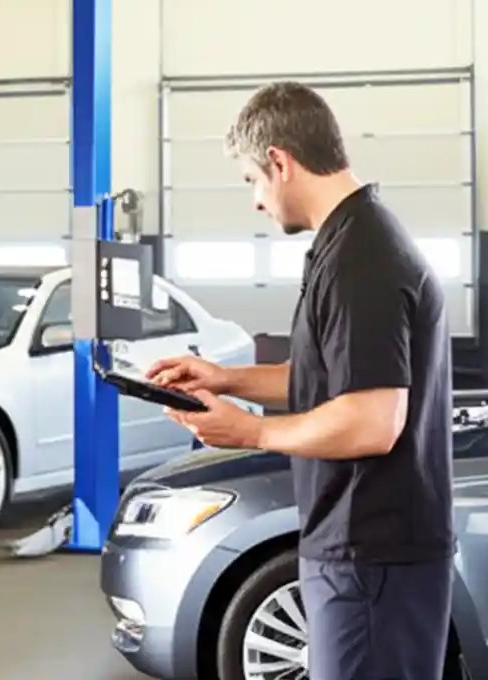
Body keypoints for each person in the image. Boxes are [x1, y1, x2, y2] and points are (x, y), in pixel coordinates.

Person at [148, 82, 455, 680]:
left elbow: (371, 421)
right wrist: (227, 379)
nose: (256, 201)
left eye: (250, 180)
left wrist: (248, 433)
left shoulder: (362, 258)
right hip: (358, 550)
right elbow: (326, 382)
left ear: (280, 162)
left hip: (372, 552)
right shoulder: (346, 243)